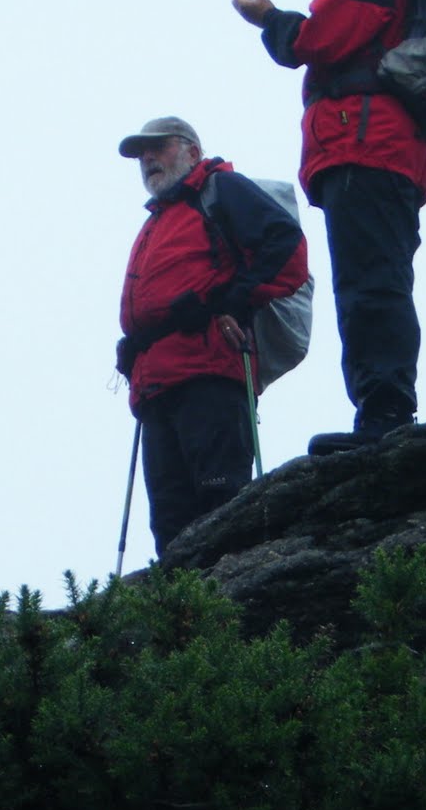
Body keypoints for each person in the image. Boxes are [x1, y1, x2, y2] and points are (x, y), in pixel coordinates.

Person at [232, 0, 426, 455]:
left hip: (367, 145)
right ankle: (379, 410)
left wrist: (269, 19)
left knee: (371, 283)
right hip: (370, 148)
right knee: (367, 281)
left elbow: (315, 40)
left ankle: (386, 414)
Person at [115, 116, 309, 555]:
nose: (147, 159)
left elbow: (285, 244)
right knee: (170, 522)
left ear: (193, 152)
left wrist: (232, 299)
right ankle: (190, 600)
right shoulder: (161, 219)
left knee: (221, 504)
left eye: (159, 147)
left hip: (211, 373)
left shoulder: (219, 190)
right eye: (142, 154)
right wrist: (135, 347)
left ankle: (231, 593)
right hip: (157, 385)